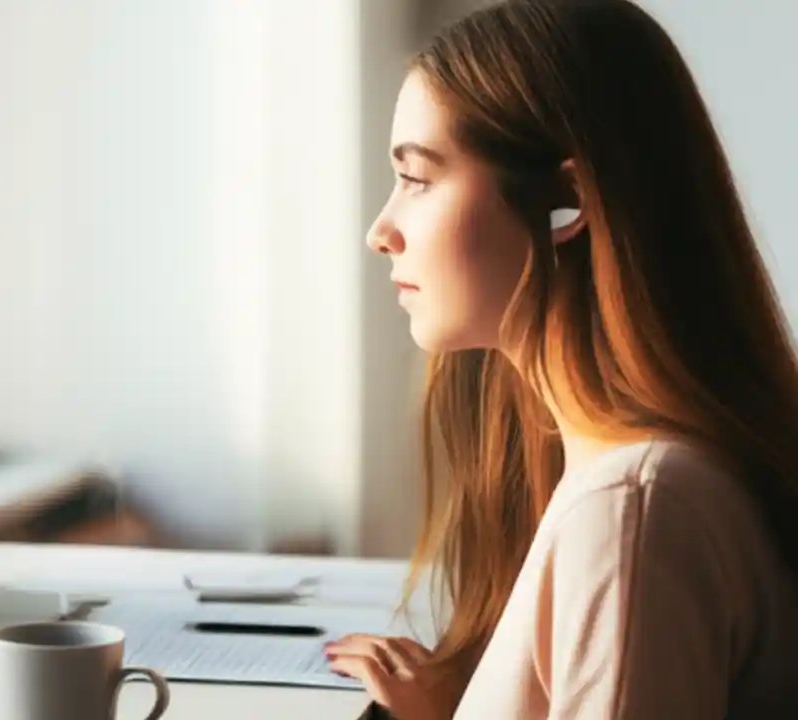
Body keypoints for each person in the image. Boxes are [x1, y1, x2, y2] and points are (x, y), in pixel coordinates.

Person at [324, 0, 798, 717]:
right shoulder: (614, 474)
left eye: (418, 179)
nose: (380, 230)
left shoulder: (634, 510)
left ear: (568, 203)